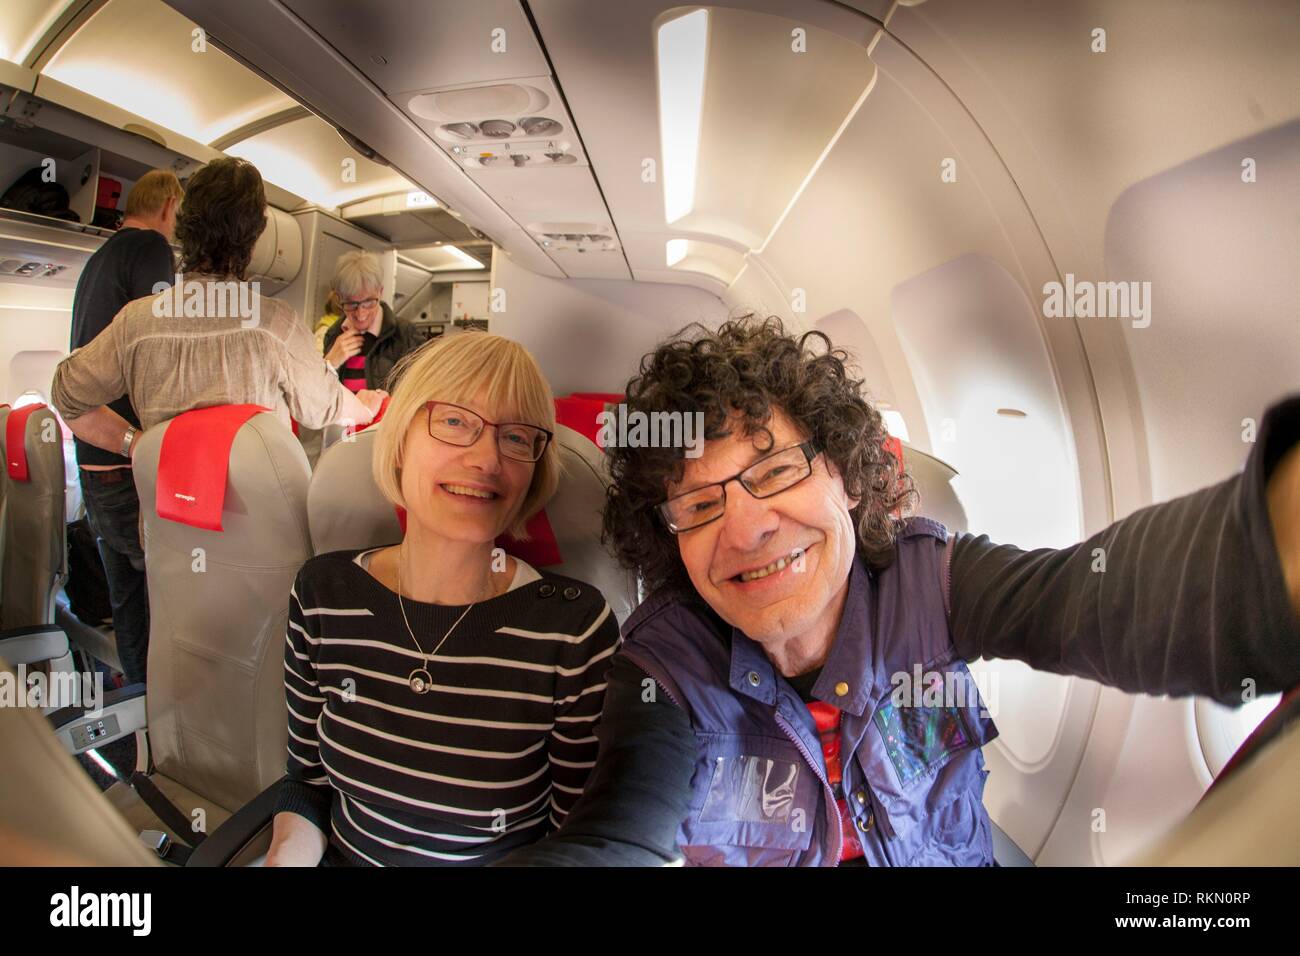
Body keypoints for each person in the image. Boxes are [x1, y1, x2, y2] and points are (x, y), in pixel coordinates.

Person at [501, 315, 1300, 866]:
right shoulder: (660, 669)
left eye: (776, 470)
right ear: (669, 539)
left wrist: (1276, 550)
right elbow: (616, 833)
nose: (745, 529)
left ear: (847, 477)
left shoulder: (935, 584)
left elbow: (1106, 598)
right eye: (701, 504)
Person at [266, 332, 620, 866]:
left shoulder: (572, 629)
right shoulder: (321, 595)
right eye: (455, 422)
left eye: (517, 438)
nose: (487, 460)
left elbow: (574, 840)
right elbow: (308, 785)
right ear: (401, 442)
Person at [51, 157, 385, 463]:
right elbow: (323, 407)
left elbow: (67, 396)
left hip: (168, 520)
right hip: (256, 524)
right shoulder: (274, 322)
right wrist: (364, 408)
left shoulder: (136, 322)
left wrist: (136, 444)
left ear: (184, 226)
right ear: (254, 238)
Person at [66, 170, 181, 686]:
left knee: (127, 601)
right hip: (127, 463)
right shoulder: (151, 249)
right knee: (173, 595)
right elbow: (165, 343)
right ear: (167, 206)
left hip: (93, 463)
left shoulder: (100, 259)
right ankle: (175, 724)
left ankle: (141, 708)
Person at [322, 250, 424, 392]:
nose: (360, 313)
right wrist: (329, 364)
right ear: (339, 298)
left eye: (368, 302)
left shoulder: (406, 334)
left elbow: (423, 392)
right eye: (351, 304)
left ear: (380, 292)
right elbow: (319, 400)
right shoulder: (333, 335)